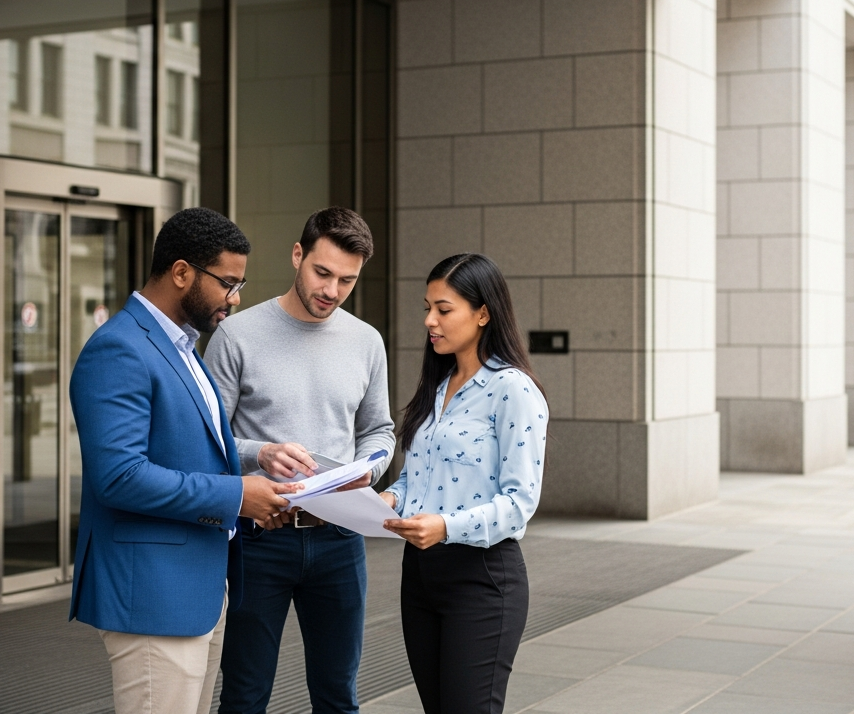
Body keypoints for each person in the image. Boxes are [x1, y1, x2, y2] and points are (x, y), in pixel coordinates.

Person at [68, 207, 301, 714]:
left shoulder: (184, 348)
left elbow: (198, 455)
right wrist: (239, 496)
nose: (234, 300)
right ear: (181, 273)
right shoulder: (119, 349)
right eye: (228, 283)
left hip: (197, 589)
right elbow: (119, 477)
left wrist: (256, 488)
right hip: (153, 596)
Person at [203, 208, 395, 714]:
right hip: (258, 538)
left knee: (338, 697)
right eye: (322, 272)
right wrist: (259, 452)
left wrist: (367, 471)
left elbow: (380, 431)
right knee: (245, 697)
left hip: (339, 540)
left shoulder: (366, 342)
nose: (332, 290)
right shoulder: (235, 336)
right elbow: (205, 438)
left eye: (347, 280)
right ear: (297, 256)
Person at [379, 253, 548, 714]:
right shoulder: (440, 386)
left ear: (483, 313)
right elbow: (417, 476)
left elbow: (519, 501)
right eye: (427, 307)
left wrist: (446, 527)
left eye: (443, 309)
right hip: (420, 576)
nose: (429, 320)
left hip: (483, 579)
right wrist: (386, 499)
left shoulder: (513, 390)